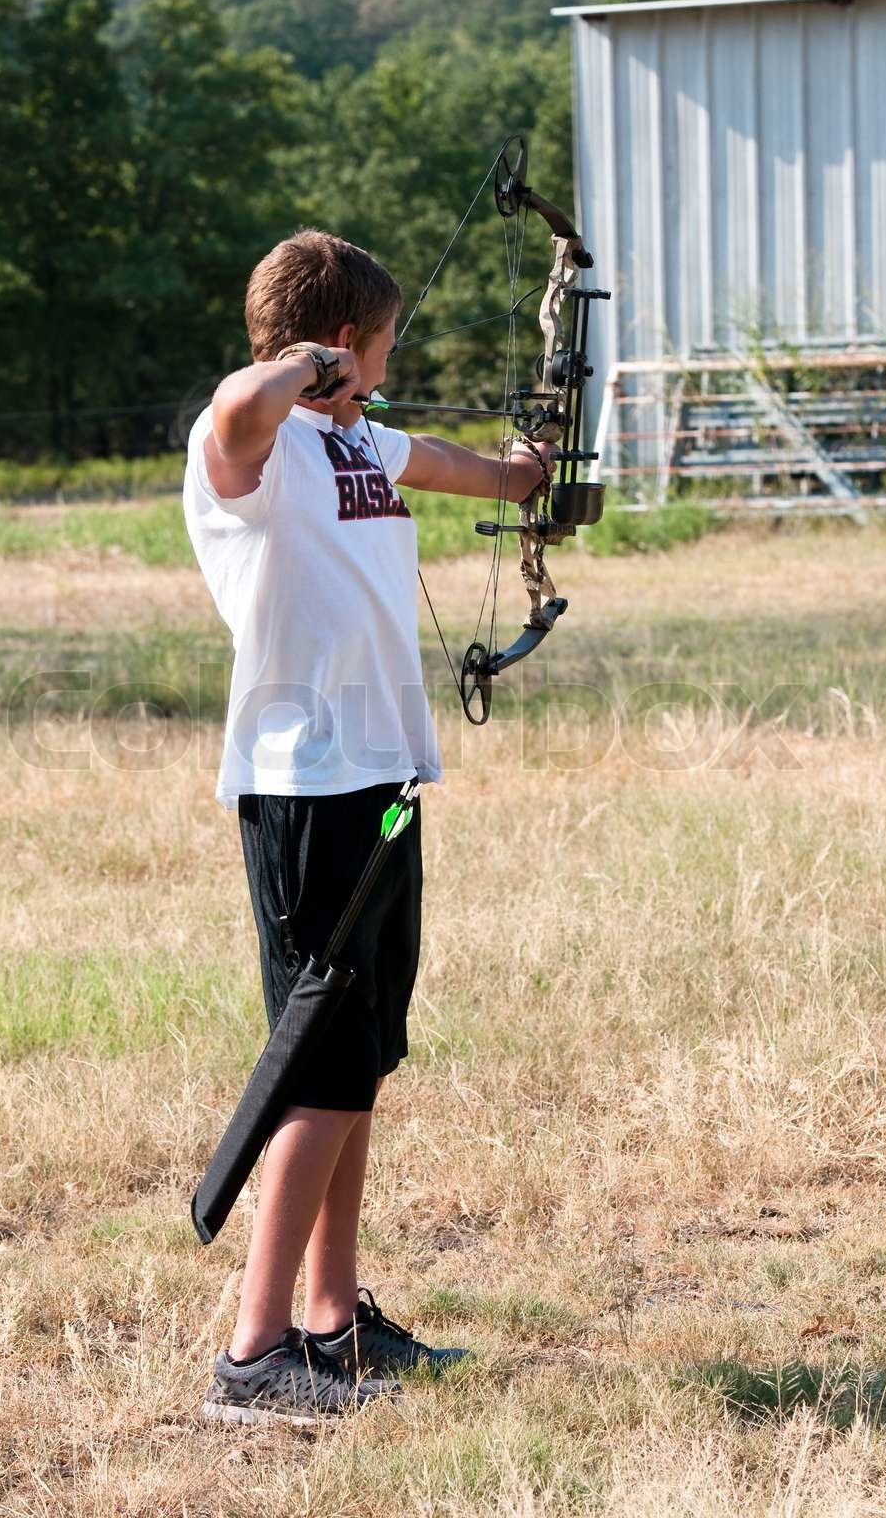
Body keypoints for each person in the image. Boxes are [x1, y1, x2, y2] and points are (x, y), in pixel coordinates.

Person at [184, 229, 551, 1427]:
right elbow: (241, 404)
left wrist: (518, 476)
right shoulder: (255, 444)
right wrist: (302, 369)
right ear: (338, 345)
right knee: (320, 1069)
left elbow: (434, 458)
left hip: (383, 774)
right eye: (379, 346)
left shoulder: (353, 439)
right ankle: (254, 1354)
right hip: (306, 783)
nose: (388, 367)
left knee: (363, 1060)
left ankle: (333, 1323)